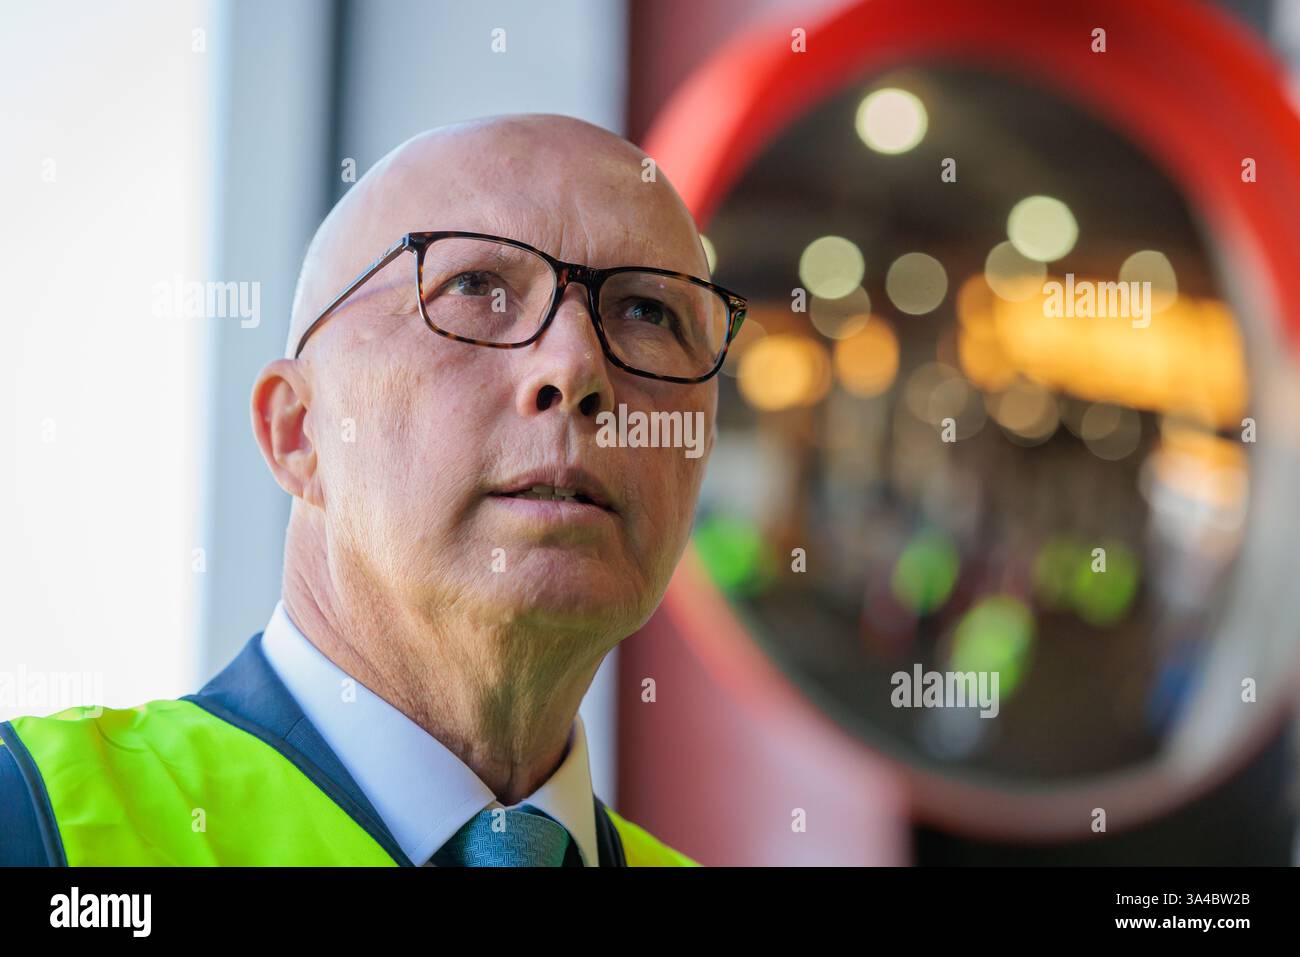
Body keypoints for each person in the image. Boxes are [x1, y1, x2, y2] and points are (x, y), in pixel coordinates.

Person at [0, 113, 747, 866]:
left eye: (647, 312)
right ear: (297, 431)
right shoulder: (37, 820)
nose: (576, 369)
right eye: (476, 287)